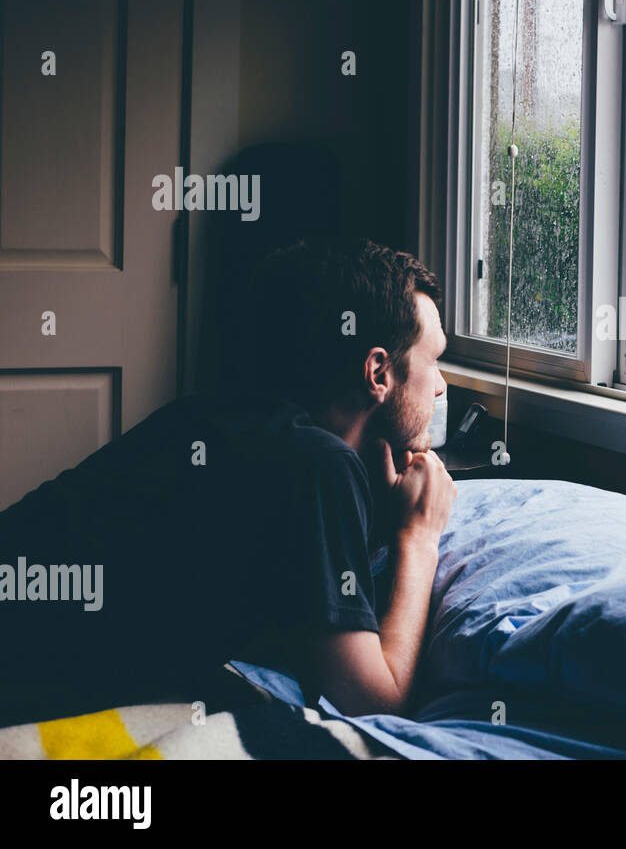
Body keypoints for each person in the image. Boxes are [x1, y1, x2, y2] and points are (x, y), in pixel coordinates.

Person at [0, 237, 457, 726]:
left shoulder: (212, 415)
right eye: (433, 360)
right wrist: (419, 538)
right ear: (377, 371)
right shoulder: (320, 466)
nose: (441, 383)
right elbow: (373, 703)